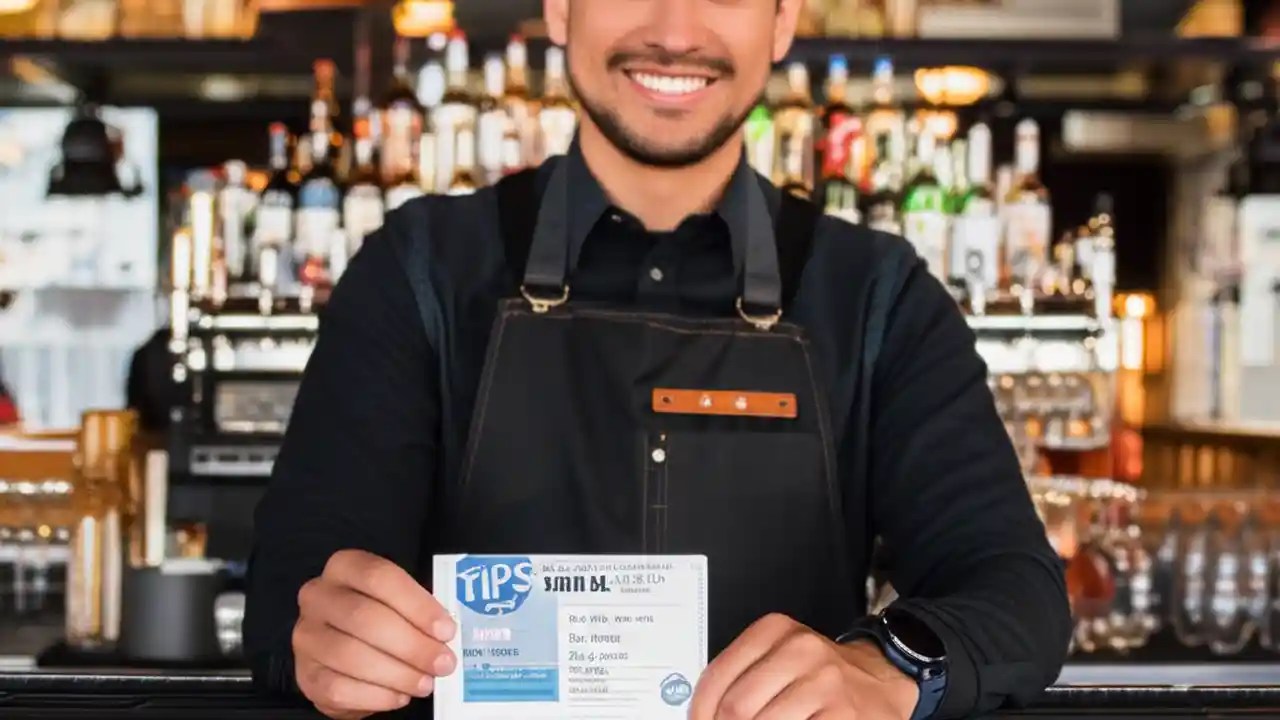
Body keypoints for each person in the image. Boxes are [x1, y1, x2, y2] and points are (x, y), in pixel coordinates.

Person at [244, 0, 1072, 718]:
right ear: (560, 11)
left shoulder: (878, 296)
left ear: (782, 22)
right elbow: (293, 585)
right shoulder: (418, 268)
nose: (675, 33)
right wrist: (328, 634)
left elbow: (1013, 589)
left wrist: (884, 667)